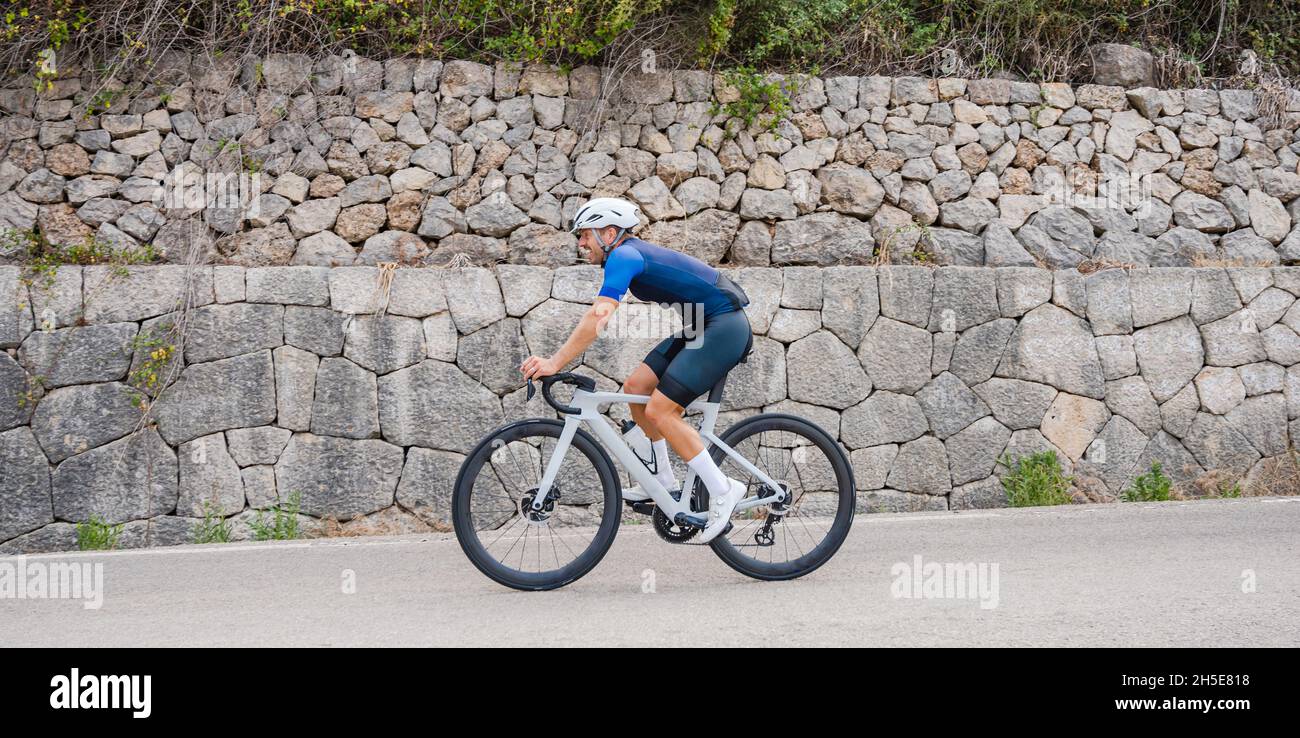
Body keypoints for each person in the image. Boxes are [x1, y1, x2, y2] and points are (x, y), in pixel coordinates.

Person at [519, 197, 754, 543]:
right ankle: (662, 482)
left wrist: (555, 362)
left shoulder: (624, 256)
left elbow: (598, 318)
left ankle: (723, 489)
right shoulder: (626, 255)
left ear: (610, 233)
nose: (581, 243)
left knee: (661, 410)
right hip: (703, 325)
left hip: (724, 326)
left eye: (584, 235)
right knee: (637, 387)